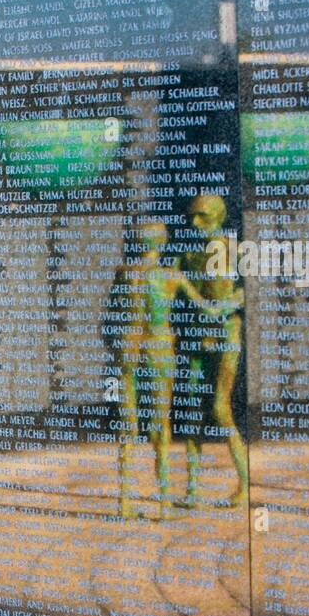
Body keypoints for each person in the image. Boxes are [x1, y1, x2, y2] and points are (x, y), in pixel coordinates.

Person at [111, 222, 241, 520]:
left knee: (129, 425)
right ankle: (165, 502)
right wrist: (236, 300)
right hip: (159, 347)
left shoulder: (125, 274)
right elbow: (208, 309)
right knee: (161, 424)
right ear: (162, 242)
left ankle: (125, 503)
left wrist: (117, 348)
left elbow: (109, 318)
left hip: (129, 347)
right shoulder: (172, 276)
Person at [178, 194, 248, 508]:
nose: (195, 224)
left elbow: (248, 292)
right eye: (193, 217)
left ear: (218, 217)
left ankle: (245, 484)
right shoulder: (189, 254)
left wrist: (222, 307)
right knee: (192, 408)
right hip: (199, 335)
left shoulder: (233, 250)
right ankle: (192, 488)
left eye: (203, 217)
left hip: (226, 335)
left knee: (220, 408)